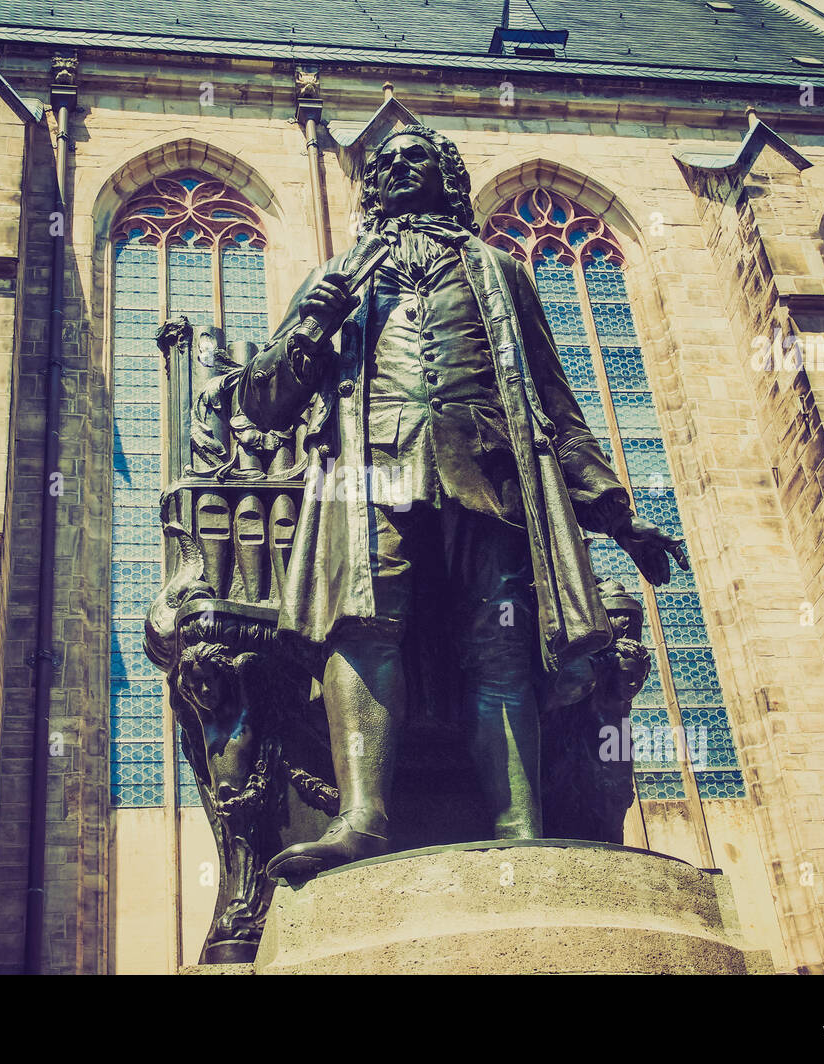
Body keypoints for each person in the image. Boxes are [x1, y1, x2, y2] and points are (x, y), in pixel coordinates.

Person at [238, 125, 686, 880]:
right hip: (369, 471)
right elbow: (264, 402)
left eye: (416, 156)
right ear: (372, 188)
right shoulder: (340, 275)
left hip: (489, 475)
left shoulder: (500, 271)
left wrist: (616, 512)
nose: (398, 166)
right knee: (362, 623)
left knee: (500, 643)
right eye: (384, 162)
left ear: (447, 177)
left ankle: (520, 827)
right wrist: (316, 320)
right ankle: (364, 819)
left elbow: (556, 404)